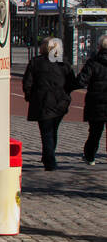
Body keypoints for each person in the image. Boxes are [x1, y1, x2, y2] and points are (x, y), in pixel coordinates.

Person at [23, 36, 78, 170]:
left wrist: (30, 96)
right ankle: (48, 155)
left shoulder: (36, 62)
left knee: (46, 132)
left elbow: (27, 82)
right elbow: (71, 83)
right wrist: (66, 95)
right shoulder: (63, 64)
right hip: (59, 101)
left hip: (42, 100)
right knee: (53, 130)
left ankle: (49, 160)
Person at [78, 33, 107, 165]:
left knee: (95, 132)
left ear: (99, 46)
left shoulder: (93, 62)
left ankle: (90, 156)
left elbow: (81, 80)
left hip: (96, 101)